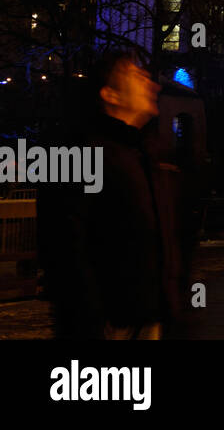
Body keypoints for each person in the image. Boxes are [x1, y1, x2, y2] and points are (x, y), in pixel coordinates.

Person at [43, 49, 172, 339]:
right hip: (110, 325)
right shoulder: (81, 154)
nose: (153, 85)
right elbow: (63, 246)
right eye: (136, 76)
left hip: (145, 317)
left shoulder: (143, 155)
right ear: (110, 94)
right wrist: (91, 320)